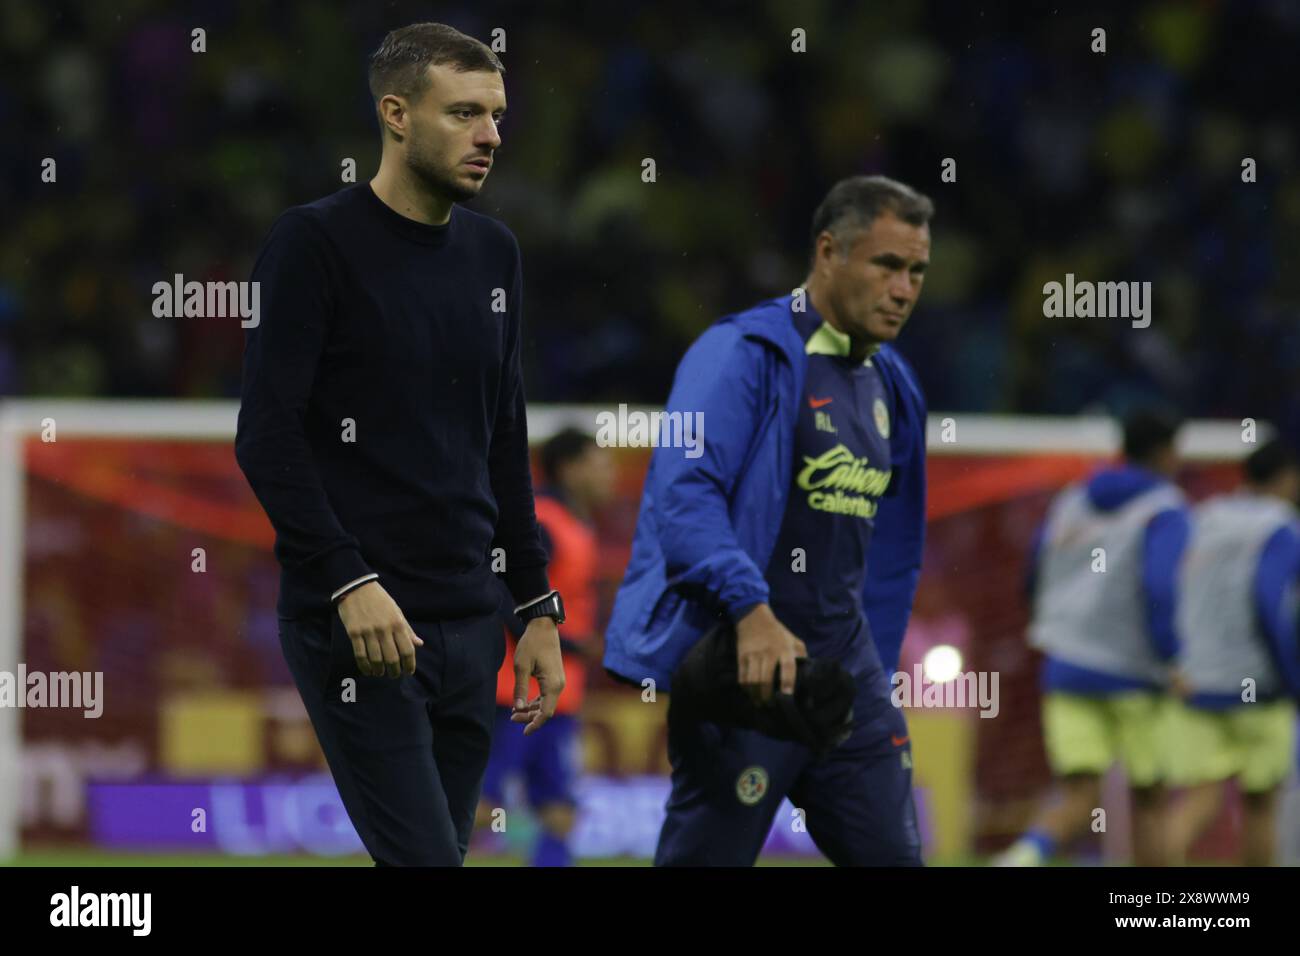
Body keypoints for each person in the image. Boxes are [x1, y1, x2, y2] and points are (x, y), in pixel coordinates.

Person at [234, 22, 565, 866]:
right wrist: (349, 580)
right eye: (464, 113)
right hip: (363, 628)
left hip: (472, 622)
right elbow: (266, 436)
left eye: (496, 115)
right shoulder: (313, 244)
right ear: (396, 114)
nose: (490, 136)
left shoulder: (495, 253)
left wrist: (533, 603)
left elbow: (504, 434)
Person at [604, 175, 932, 866]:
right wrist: (751, 610)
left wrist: (878, 659)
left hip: (846, 677)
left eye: (916, 271)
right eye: (887, 265)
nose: (904, 289)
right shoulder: (737, 353)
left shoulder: (894, 383)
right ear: (828, 251)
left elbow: (894, 547)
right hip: (742, 670)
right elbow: (683, 495)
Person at [997, 409, 1189, 866]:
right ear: (1165, 452)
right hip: (1136, 672)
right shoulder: (1166, 508)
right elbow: (1160, 586)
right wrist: (1173, 656)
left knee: (1077, 793)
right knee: (1151, 799)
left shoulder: (1072, 498)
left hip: (1066, 664)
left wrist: (1058, 628)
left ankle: (1021, 858)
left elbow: (1031, 574)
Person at [478, 428, 616, 866]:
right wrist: (567, 643)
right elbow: (500, 590)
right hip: (513, 694)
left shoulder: (580, 524)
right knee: (481, 807)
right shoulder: (544, 524)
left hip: (561, 696)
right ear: (570, 468)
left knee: (559, 811)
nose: (611, 474)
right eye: (600, 463)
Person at [1166, 438, 1300, 865]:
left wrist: (1173, 657)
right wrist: (1292, 677)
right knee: (1260, 807)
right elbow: (1270, 602)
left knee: (1200, 803)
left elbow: (1165, 586)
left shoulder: (1204, 517)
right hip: (1258, 685)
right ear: (1286, 478)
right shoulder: (1280, 527)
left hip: (1198, 682)